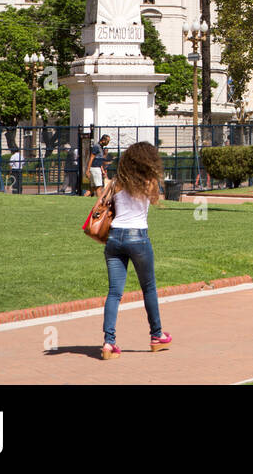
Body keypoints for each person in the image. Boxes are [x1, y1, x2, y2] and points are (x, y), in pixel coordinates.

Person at [101, 141, 171, 359]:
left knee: (114, 292)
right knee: (148, 288)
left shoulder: (116, 182)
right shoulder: (149, 183)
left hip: (114, 237)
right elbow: (156, 199)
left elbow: (102, 202)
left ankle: (108, 342)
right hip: (138, 236)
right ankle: (156, 335)